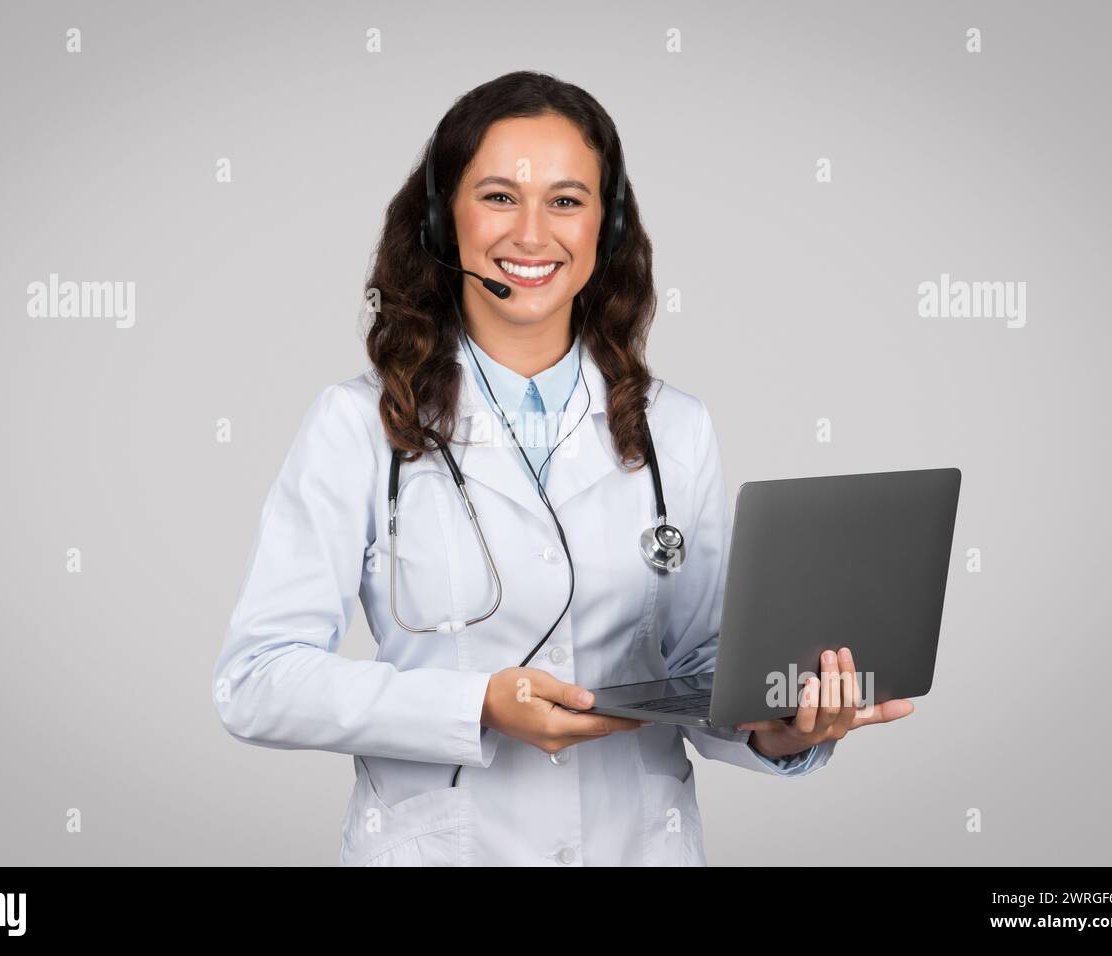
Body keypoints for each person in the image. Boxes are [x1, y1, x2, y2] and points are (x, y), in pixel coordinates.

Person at [212, 70, 913, 866]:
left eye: (567, 200)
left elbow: (702, 672)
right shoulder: (357, 424)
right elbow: (258, 681)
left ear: (606, 229)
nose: (533, 235)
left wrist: (780, 726)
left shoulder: (674, 428)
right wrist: (475, 702)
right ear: (444, 220)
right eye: (500, 196)